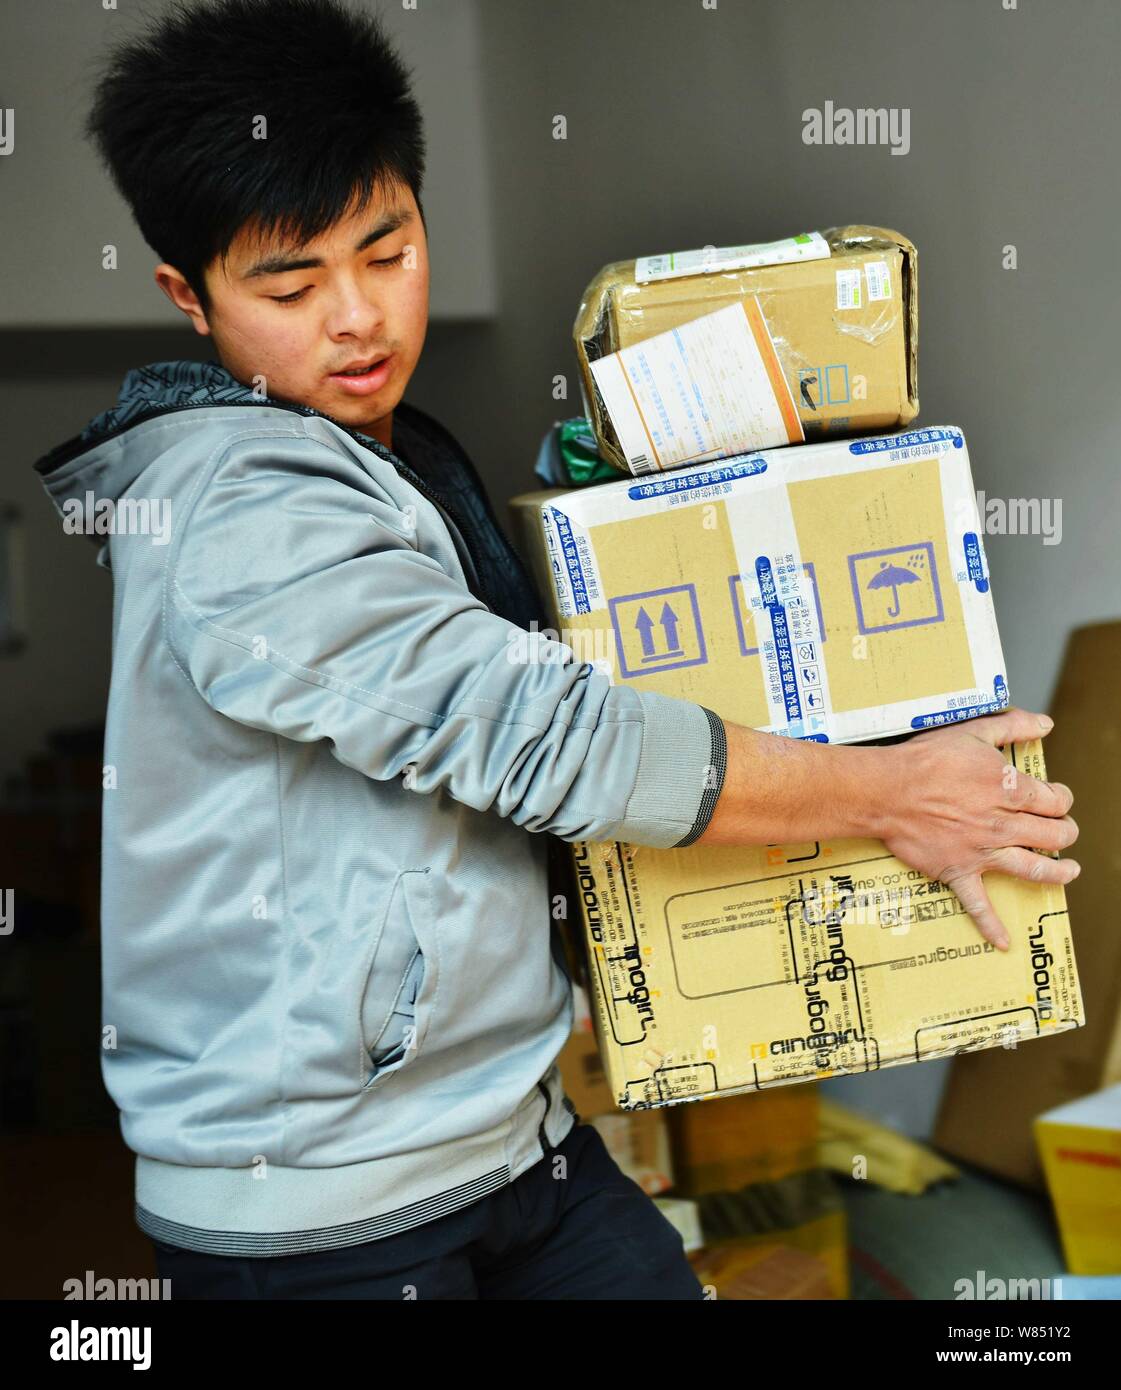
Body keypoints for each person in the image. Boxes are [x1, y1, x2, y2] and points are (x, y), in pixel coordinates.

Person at [35, 0, 1079, 1300]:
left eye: (388, 249)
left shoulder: (369, 458)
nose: (357, 318)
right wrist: (894, 792)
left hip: (514, 1140)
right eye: (290, 284)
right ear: (189, 297)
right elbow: (542, 736)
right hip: (320, 1204)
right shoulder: (239, 500)